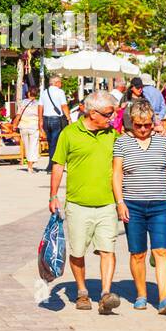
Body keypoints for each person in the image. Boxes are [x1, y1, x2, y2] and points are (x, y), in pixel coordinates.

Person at [49, 91, 122, 314]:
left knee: (108, 249)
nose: (112, 118)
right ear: (93, 113)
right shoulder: (69, 134)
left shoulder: (113, 135)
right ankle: (82, 292)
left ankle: (106, 294)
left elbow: (119, 166)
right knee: (78, 251)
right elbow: (58, 165)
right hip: (78, 204)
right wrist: (53, 196)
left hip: (107, 204)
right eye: (109, 113)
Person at [113, 98, 166, 314]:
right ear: (132, 122)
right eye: (138, 125)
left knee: (162, 250)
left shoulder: (163, 142)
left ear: (153, 122)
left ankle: (163, 297)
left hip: (160, 204)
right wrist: (120, 202)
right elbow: (117, 174)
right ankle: (141, 294)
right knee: (138, 253)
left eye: (147, 125)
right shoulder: (122, 143)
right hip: (133, 205)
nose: (143, 129)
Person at [41, 75, 69, 170]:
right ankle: (52, 165)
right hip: (56, 119)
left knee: (50, 142)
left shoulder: (44, 92)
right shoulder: (60, 92)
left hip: (46, 119)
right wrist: (69, 118)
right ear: (56, 83)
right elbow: (64, 106)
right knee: (55, 142)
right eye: (60, 82)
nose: (61, 84)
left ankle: (50, 163)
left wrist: (40, 120)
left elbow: (40, 107)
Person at [16, 85, 41, 173]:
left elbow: (18, 115)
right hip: (34, 126)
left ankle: (29, 164)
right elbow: (41, 117)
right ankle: (30, 165)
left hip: (23, 126)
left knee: (27, 146)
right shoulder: (39, 104)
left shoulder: (23, 102)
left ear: (28, 93)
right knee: (33, 145)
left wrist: (15, 124)